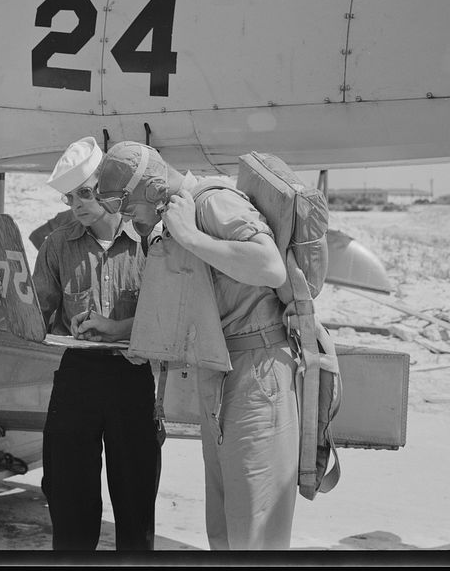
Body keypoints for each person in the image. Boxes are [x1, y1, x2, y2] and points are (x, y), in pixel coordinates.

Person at [88, 140, 297, 551]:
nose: (126, 218)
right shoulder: (178, 215)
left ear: (150, 188)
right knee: (224, 528)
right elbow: (196, 300)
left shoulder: (211, 203)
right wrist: (119, 330)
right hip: (223, 373)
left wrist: (188, 235)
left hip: (257, 373)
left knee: (255, 534)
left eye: (127, 206)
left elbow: (269, 266)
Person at [0, 137, 160, 551]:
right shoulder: (57, 245)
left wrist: (117, 329)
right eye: (70, 195)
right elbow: (36, 318)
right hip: (76, 379)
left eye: (85, 191)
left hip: (133, 379)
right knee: (68, 500)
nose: (77, 203)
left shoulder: (152, 243)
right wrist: (3, 293)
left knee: (136, 508)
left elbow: (166, 320)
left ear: (108, 186)